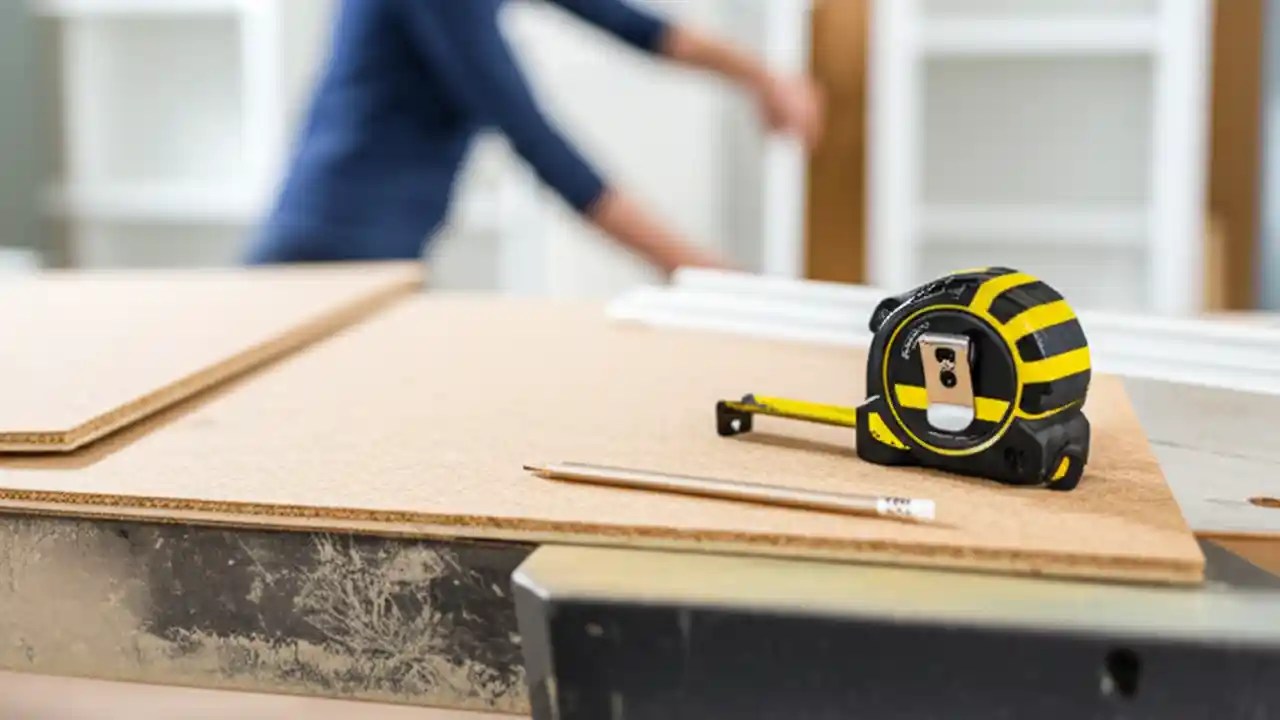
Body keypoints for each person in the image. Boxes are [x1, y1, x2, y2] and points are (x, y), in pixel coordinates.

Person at [245, 0, 822, 275]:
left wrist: (760, 75)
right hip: (328, 249)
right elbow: (534, 137)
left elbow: (633, 26)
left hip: (385, 248)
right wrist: (693, 267)